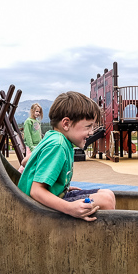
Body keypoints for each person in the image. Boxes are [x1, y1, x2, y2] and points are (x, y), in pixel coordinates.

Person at [18, 91, 116, 221]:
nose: (91, 132)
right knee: (106, 200)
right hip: (34, 210)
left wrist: (58, 185)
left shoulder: (52, 137)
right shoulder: (58, 145)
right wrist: (70, 208)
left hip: (50, 198)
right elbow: (36, 191)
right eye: (88, 126)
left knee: (108, 194)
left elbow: (26, 161)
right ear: (66, 124)